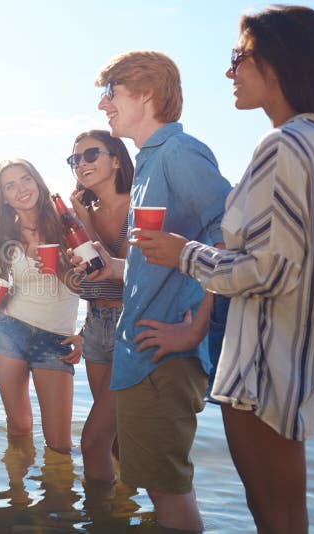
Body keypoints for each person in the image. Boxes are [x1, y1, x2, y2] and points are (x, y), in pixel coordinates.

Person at [132, 6, 314, 532]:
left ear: (281, 60)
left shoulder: (283, 144)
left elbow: (271, 271)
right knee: (286, 515)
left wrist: (183, 253)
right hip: (301, 359)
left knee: (273, 516)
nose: (229, 71)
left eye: (239, 56)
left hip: (264, 367)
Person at [83, 51, 232, 531]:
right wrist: (117, 268)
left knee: (169, 493)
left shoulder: (179, 153)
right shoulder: (149, 161)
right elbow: (164, 257)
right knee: (156, 486)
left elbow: (230, 239)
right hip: (139, 354)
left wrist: (195, 330)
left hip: (165, 357)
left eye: (112, 92)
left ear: (147, 93)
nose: (104, 104)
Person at [0, 159, 82, 453]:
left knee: (59, 443)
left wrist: (86, 333)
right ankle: (17, 483)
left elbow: (93, 284)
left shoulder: (67, 223)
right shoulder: (2, 234)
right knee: (19, 428)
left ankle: (60, 484)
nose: (21, 189)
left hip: (56, 337)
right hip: (9, 332)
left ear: (37, 181)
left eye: (26, 179)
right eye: (10, 186)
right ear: (3, 197)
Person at [66, 130, 134, 484]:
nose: (82, 163)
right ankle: (124, 505)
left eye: (91, 155)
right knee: (114, 441)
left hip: (129, 324)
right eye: (75, 159)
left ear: (117, 160)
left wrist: (86, 225)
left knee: (93, 440)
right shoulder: (81, 213)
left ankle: (100, 511)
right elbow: (88, 280)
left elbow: (124, 272)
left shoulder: (138, 205)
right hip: (95, 326)